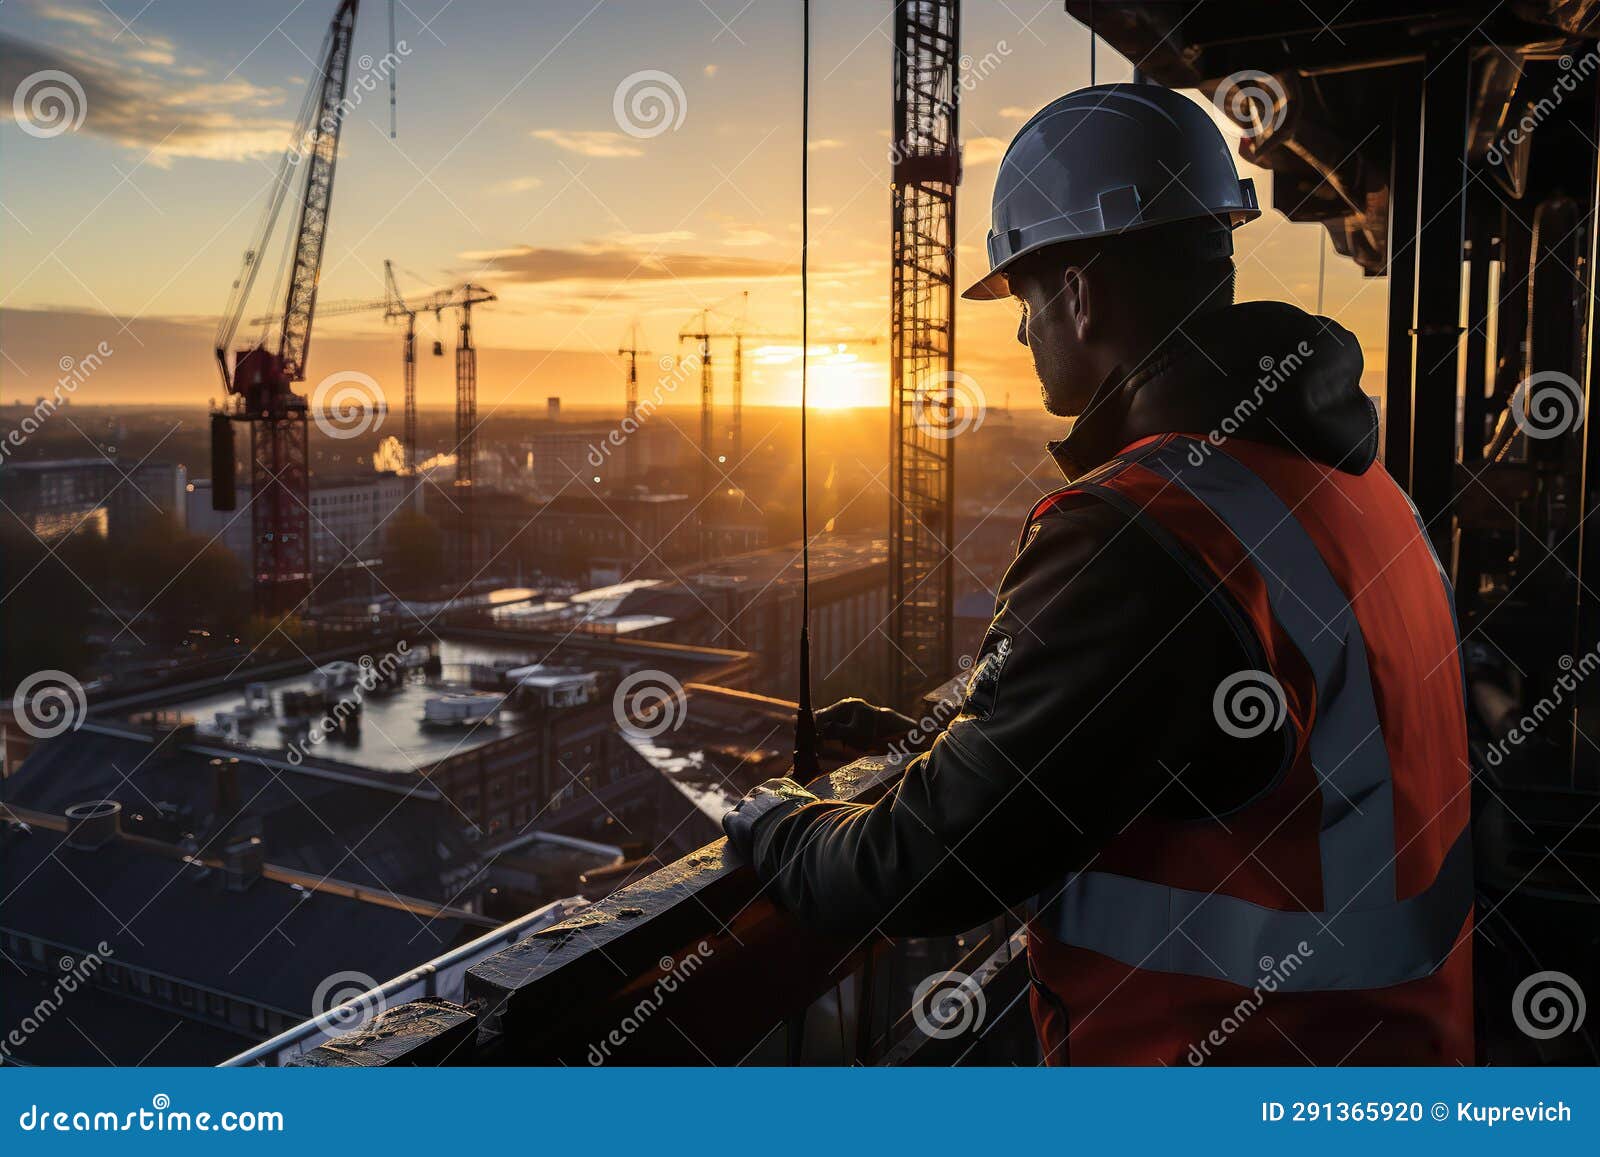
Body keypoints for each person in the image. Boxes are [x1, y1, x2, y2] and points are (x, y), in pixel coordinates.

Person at [722, 84, 1474, 1066]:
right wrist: (939, 742)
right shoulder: (1359, 489)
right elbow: (1144, 728)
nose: (1023, 331)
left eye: (1027, 299)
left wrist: (776, 826)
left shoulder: (1146, 529)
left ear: (1080, 294)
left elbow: (925, 868)